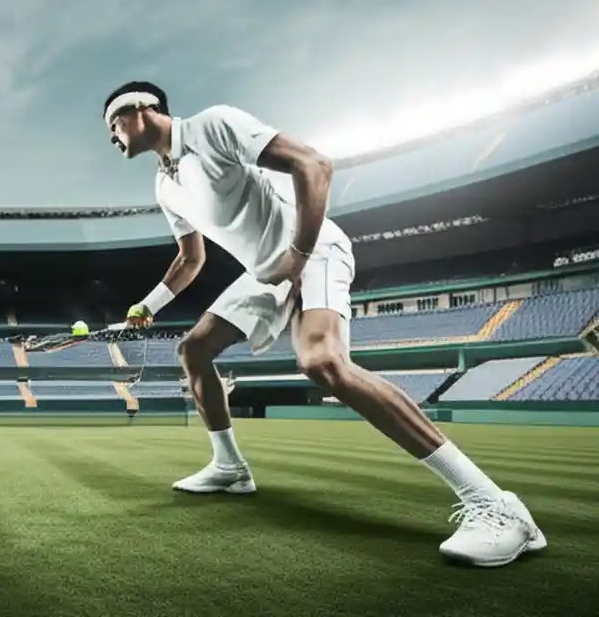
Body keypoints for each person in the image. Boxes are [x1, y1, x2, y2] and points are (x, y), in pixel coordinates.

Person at [105, 80, 545, 568]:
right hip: (267, 272)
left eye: (113, 124)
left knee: (322, 361)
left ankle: (496, 506)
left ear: (140, 110)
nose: (112, 137)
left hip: (311, 248)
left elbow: (314, 165)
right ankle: (229, 467)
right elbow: (190, 260)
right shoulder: (164, 186)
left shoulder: (212, 125)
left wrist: (297, 254)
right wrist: (148, 305)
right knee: (194, 351)